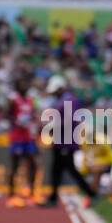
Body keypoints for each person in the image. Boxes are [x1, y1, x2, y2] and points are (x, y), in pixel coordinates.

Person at [38, 76, 96, 207]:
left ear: (61, 88)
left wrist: (52, 125)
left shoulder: (70, 100)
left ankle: (91, 193)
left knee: (69, 170)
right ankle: (53, 198)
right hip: (61, 140)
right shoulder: (62, 100)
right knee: (57, 170)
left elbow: (70, 120)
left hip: (66, 141)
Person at [7, 80, 38, 205]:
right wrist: (16, 121)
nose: (25, 86)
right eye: (22, 84)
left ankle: (31, 193)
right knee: (15, 165)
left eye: (26, 84)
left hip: (28, 137)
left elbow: (33, 114)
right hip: (17, 137)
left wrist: (32, 119)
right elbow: (7, 114)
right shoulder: (13, 100)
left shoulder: (30, 100)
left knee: (33, 164)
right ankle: (11, 194)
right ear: (18, 87)